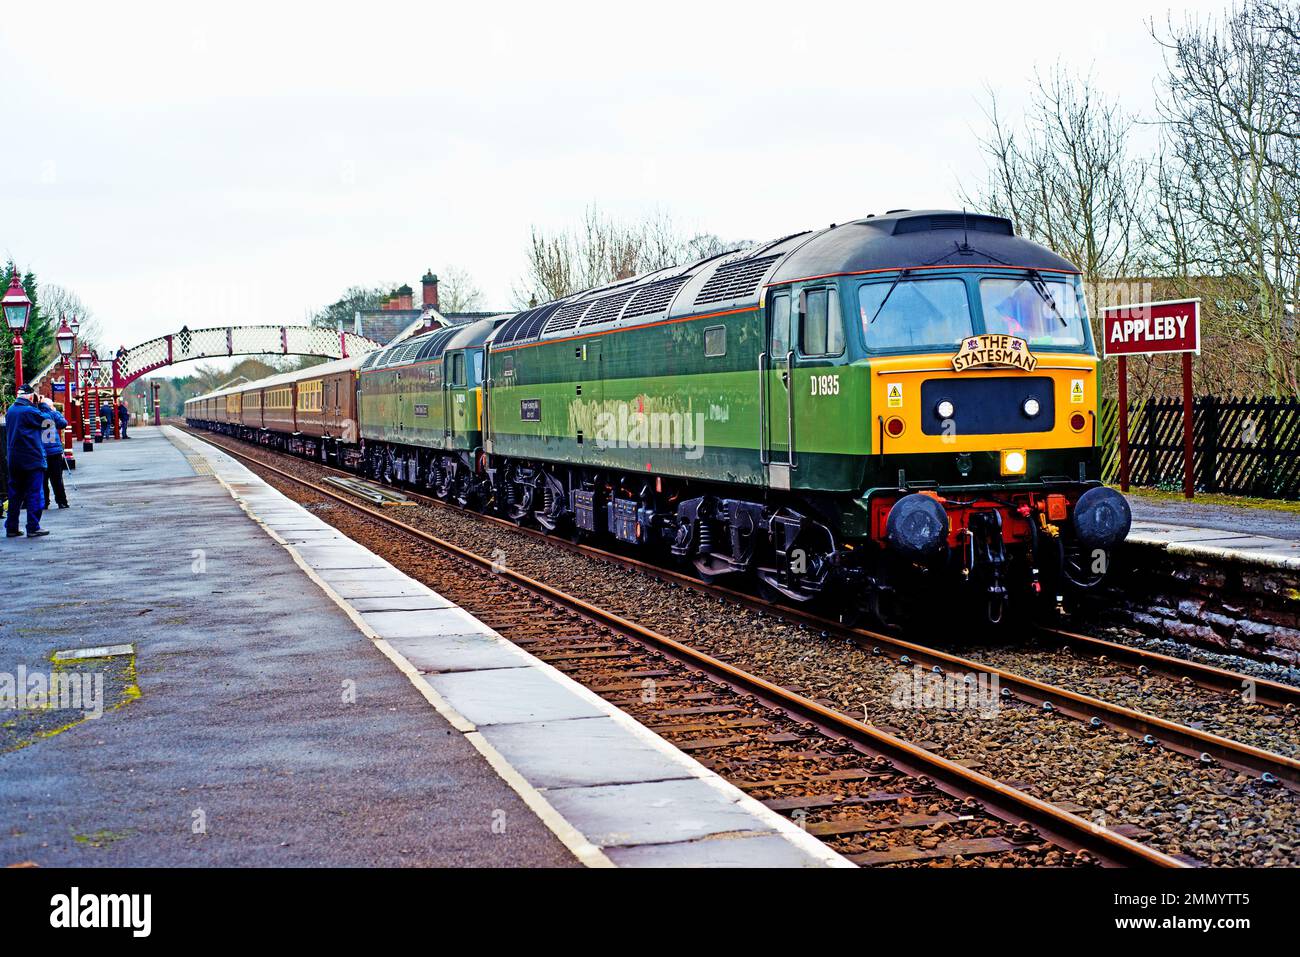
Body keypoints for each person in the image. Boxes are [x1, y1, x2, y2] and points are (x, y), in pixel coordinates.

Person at [5, 385, 51, 538]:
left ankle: (11, 527)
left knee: (15, 494)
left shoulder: (11, 410)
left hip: (14, 459)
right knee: (34, 493)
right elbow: (49, 422)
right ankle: (33, 526)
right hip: (31, 458)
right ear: (31, 396)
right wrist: (43, 404)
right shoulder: (29, 411)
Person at [39, 397, 70, 509]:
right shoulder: (52, 414)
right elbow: (63, 423)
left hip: (41, 451)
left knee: (43, 480)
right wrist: (55, 412)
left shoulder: (36, 414)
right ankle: (62, 502)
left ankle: (44, 502)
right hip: (54, 452)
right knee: (57, 479)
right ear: (49, 406)